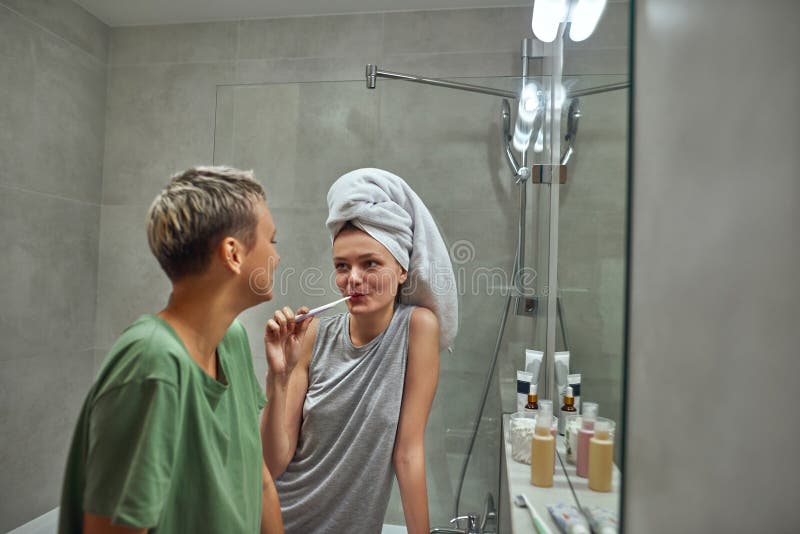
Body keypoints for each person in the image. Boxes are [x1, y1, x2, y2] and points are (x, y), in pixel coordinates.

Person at [58, 167, 286, 534]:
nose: (276, 256)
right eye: (272, 241)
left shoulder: (233, 339)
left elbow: (259, 482)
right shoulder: (152, 365)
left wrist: (281, 377)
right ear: (233, 253)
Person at [262, 168, 458, 534]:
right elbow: (271, 464)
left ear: (402, 270)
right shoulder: (313, 334)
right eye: (342, 266)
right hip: (279, 520)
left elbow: (407, 453)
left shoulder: (417, 328)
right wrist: (279, 377)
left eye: (370, 263)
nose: (353, 278)